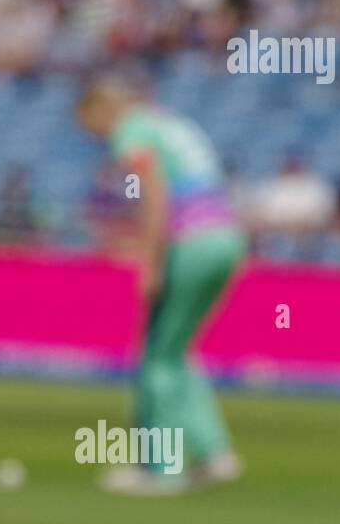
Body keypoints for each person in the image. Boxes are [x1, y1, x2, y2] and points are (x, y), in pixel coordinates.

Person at [76, 79, 246, 495]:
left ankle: (162, 469)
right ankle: (214, 451)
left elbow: (154, 194)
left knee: (157, 358)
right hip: (224, 237)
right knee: (176, 350)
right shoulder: (168, 122)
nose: (97, 138)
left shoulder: (130, 129)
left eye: (92, 128)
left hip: (190, 243)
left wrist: (149, 260)